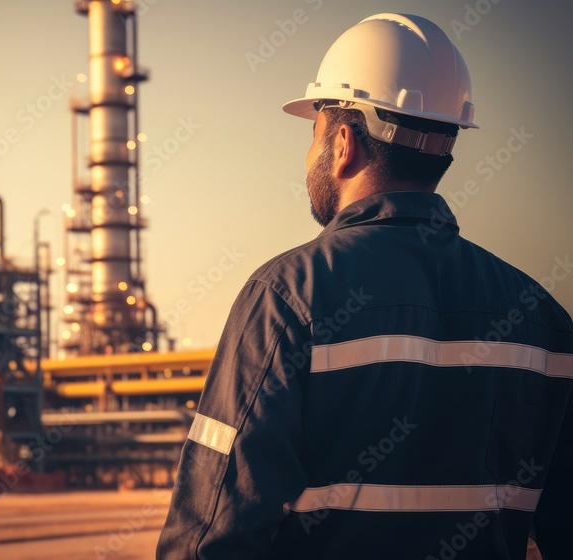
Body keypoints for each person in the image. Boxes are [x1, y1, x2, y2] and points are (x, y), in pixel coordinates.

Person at [156, 13, 573, 560]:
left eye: (314, 135)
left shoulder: (286, 297)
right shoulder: (543, 318)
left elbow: (211, 537)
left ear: (343, 143)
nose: (309, 156)